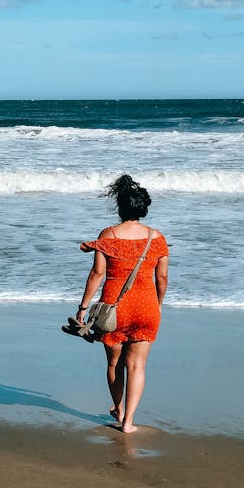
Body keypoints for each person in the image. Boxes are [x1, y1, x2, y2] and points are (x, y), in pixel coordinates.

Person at [76, 175, 169, 433]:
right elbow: (162, 277)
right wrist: (158, 304)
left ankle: (117, 409)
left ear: (120, 207)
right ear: (143, 208)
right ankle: (128, 422)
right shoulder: (157, 238)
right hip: (147, 307)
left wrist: (83, 307)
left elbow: (97, 274)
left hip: (114, 310)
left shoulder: (110, 234)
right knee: (137, 366)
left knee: (115, 363)